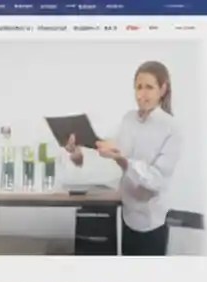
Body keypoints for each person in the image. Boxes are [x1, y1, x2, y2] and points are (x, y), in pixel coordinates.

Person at [65, 60, 180, 256]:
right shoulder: (128, 119)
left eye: (149, 87)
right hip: (128, 216)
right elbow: (113, 150)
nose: (141, 94)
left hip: (152, 222)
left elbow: (156, 180)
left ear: (163, 89)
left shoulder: (172, 128)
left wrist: (123, 160)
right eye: (138, 87)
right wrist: (78, 153)